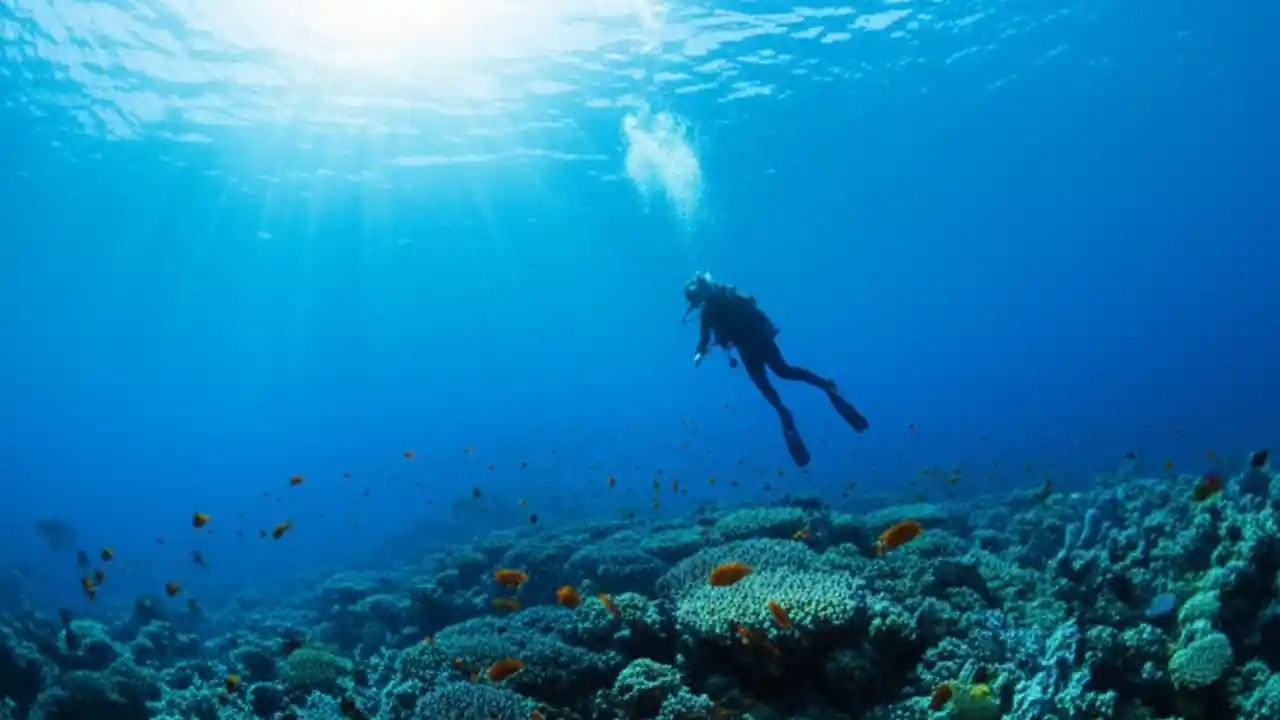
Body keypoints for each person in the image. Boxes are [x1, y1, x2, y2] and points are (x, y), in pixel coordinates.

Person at [684, 272, 868, 466]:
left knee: (783, 371)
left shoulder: (729, 296)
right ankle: (785, 413)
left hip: (759, 340)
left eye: (699, 296)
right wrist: (699, 353)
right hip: (746, 349)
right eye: (697, 299)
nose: (702, 300)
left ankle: (824, 386)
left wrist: (704, 350)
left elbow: (751, 310)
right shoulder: (708, 313)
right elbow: (704, 338)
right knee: (763, 385)